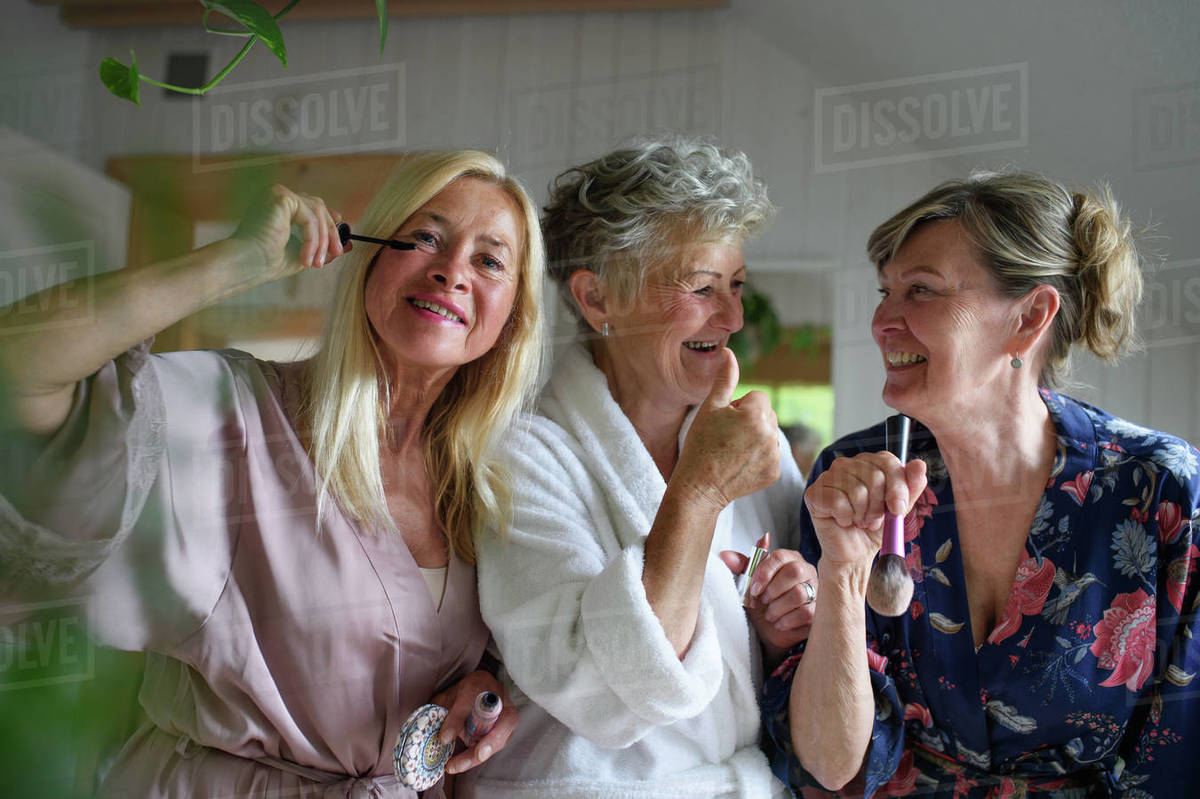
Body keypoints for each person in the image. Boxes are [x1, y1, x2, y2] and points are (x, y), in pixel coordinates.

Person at [0, 150, 545, 797]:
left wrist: (481, 690)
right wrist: (233, 262)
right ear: (370, 258)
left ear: (513, 316)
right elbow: (16, 372)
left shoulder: (488, 490)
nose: (451, 271)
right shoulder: (234, 416)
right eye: (426, 236)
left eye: (489, 260)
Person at [763, 171, 1200, 796]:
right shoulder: (851, 478)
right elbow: (832, 768)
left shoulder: (1161, 491)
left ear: (1029, 317)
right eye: (885, 291)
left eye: (920, 290)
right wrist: (842, 571)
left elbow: (1179, 756)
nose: (882, 321)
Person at [464, 138, 818, 798]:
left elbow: (774, 675)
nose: (734, 317)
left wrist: (783, 625)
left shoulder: (746, 444)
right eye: (702, 288)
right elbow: (598, 692)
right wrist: (700, 491)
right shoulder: (520, 456)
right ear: (597, 298)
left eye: (737, 286)